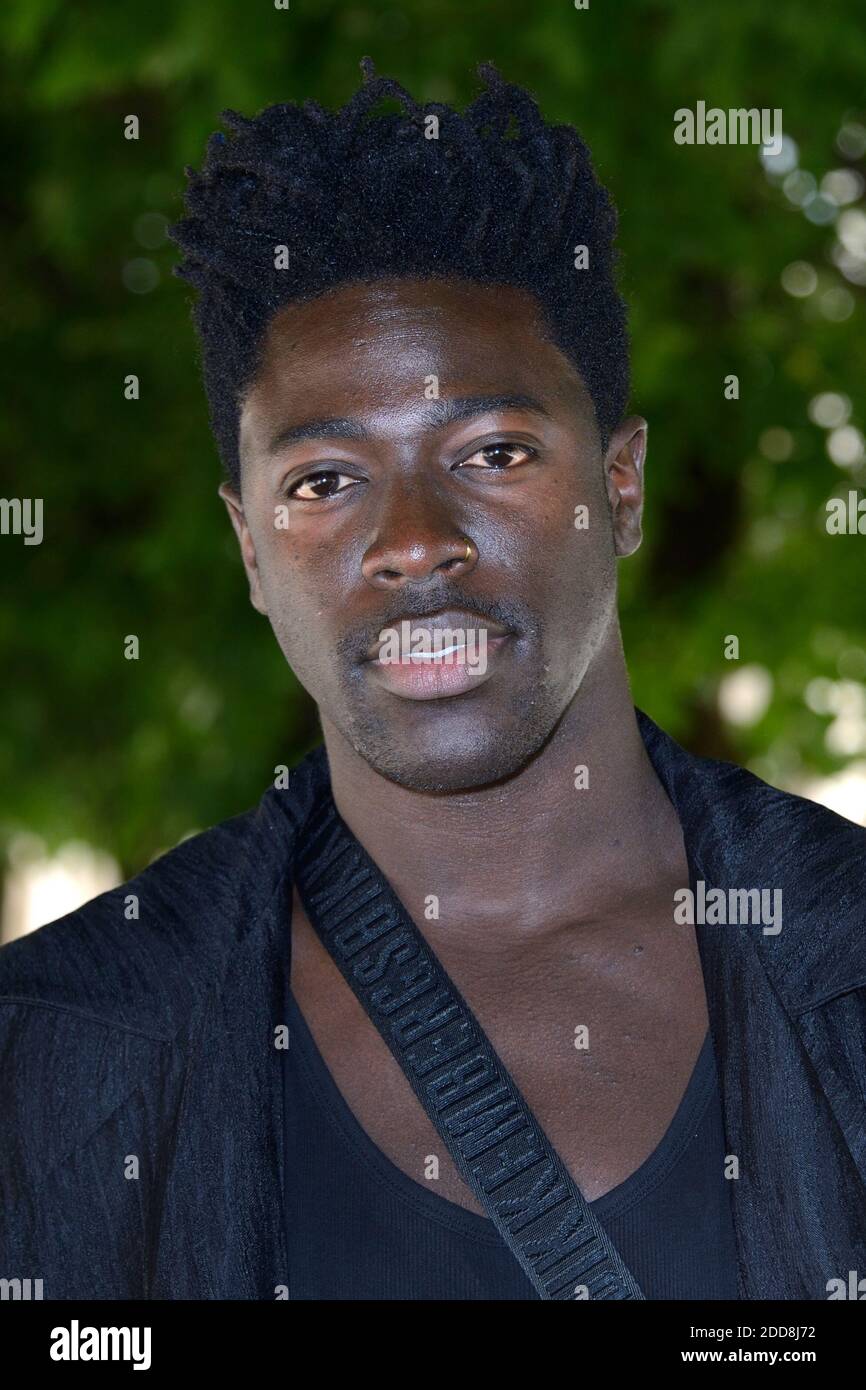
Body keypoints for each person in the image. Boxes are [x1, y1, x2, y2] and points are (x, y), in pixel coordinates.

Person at [1, 60, 864, 1302]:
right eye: (324, 481)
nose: (412, 538)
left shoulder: (833, 964)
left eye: (491, 451)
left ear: (617, 489)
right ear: (250, 548)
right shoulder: (58, 1052)